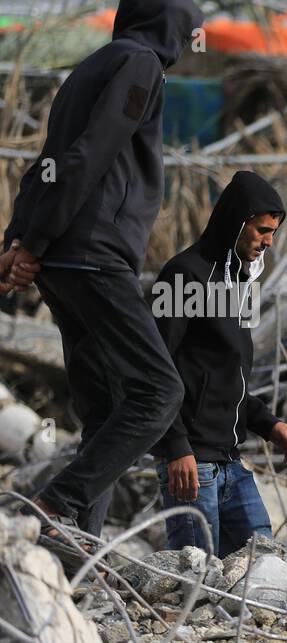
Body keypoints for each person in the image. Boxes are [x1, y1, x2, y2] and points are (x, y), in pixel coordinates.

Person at [0, 0, 203, 556]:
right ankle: (58, 503)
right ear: (172, 25)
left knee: (105, 414)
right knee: (159, 392)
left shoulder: (89, 68)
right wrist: (33, 243)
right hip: (95, 257)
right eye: (188, 31)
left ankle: (67, 560)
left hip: (64, 266)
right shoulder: (139, 65)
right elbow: (91, 155)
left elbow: (45, 163)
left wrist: (19, 241)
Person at [151, 171, 287, 558]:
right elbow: (154, 369)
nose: (268, 241)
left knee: (265, 563)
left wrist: (269, 424)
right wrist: (175, 447)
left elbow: (227, 377)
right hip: (192, 465)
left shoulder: (239, 285)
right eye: (261, 230)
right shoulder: (184, 275)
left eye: (273, 232)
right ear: (236, 222)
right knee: (197, 579)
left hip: (232, 463)